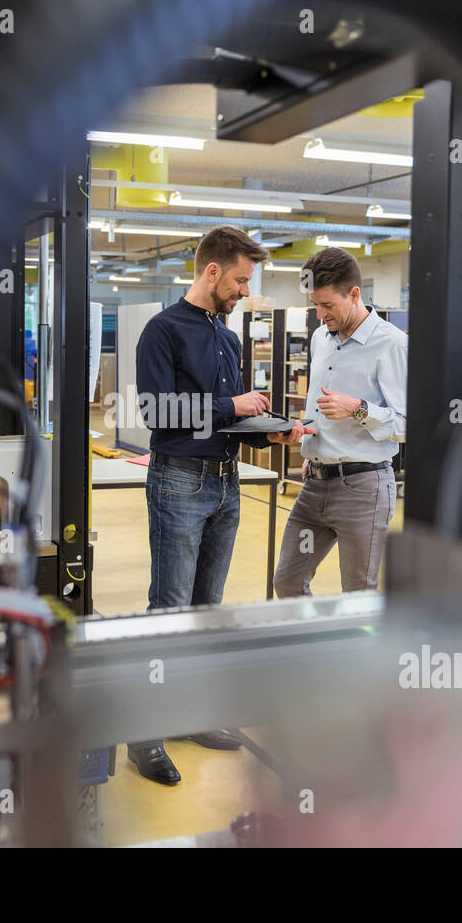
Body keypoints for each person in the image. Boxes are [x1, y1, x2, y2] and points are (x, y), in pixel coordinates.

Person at [127, 225, 312, 786]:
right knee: (170, 610)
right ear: (211, 272)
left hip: (226, 483)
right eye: (238, 280)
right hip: (179, 483)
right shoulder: (162, 331)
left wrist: (266, 435)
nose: (242, 291)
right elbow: (158, 412)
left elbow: (228, 421)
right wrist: (232, 403)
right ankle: (144, 736)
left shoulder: (229, 338)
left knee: (206, 612)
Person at [273, 246, 407, 597]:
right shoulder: (320, 339)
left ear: (354, 294)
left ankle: (361, 653)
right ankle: (317, 648)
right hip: (315, 484)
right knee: (287, 581)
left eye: (327, 305)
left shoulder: (391, 344)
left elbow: (409, 423)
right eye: (315, 305)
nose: (319, 314)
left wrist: (359, 409)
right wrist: (308, 440)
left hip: (364, 489)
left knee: (358, 594)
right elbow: (320, 409)